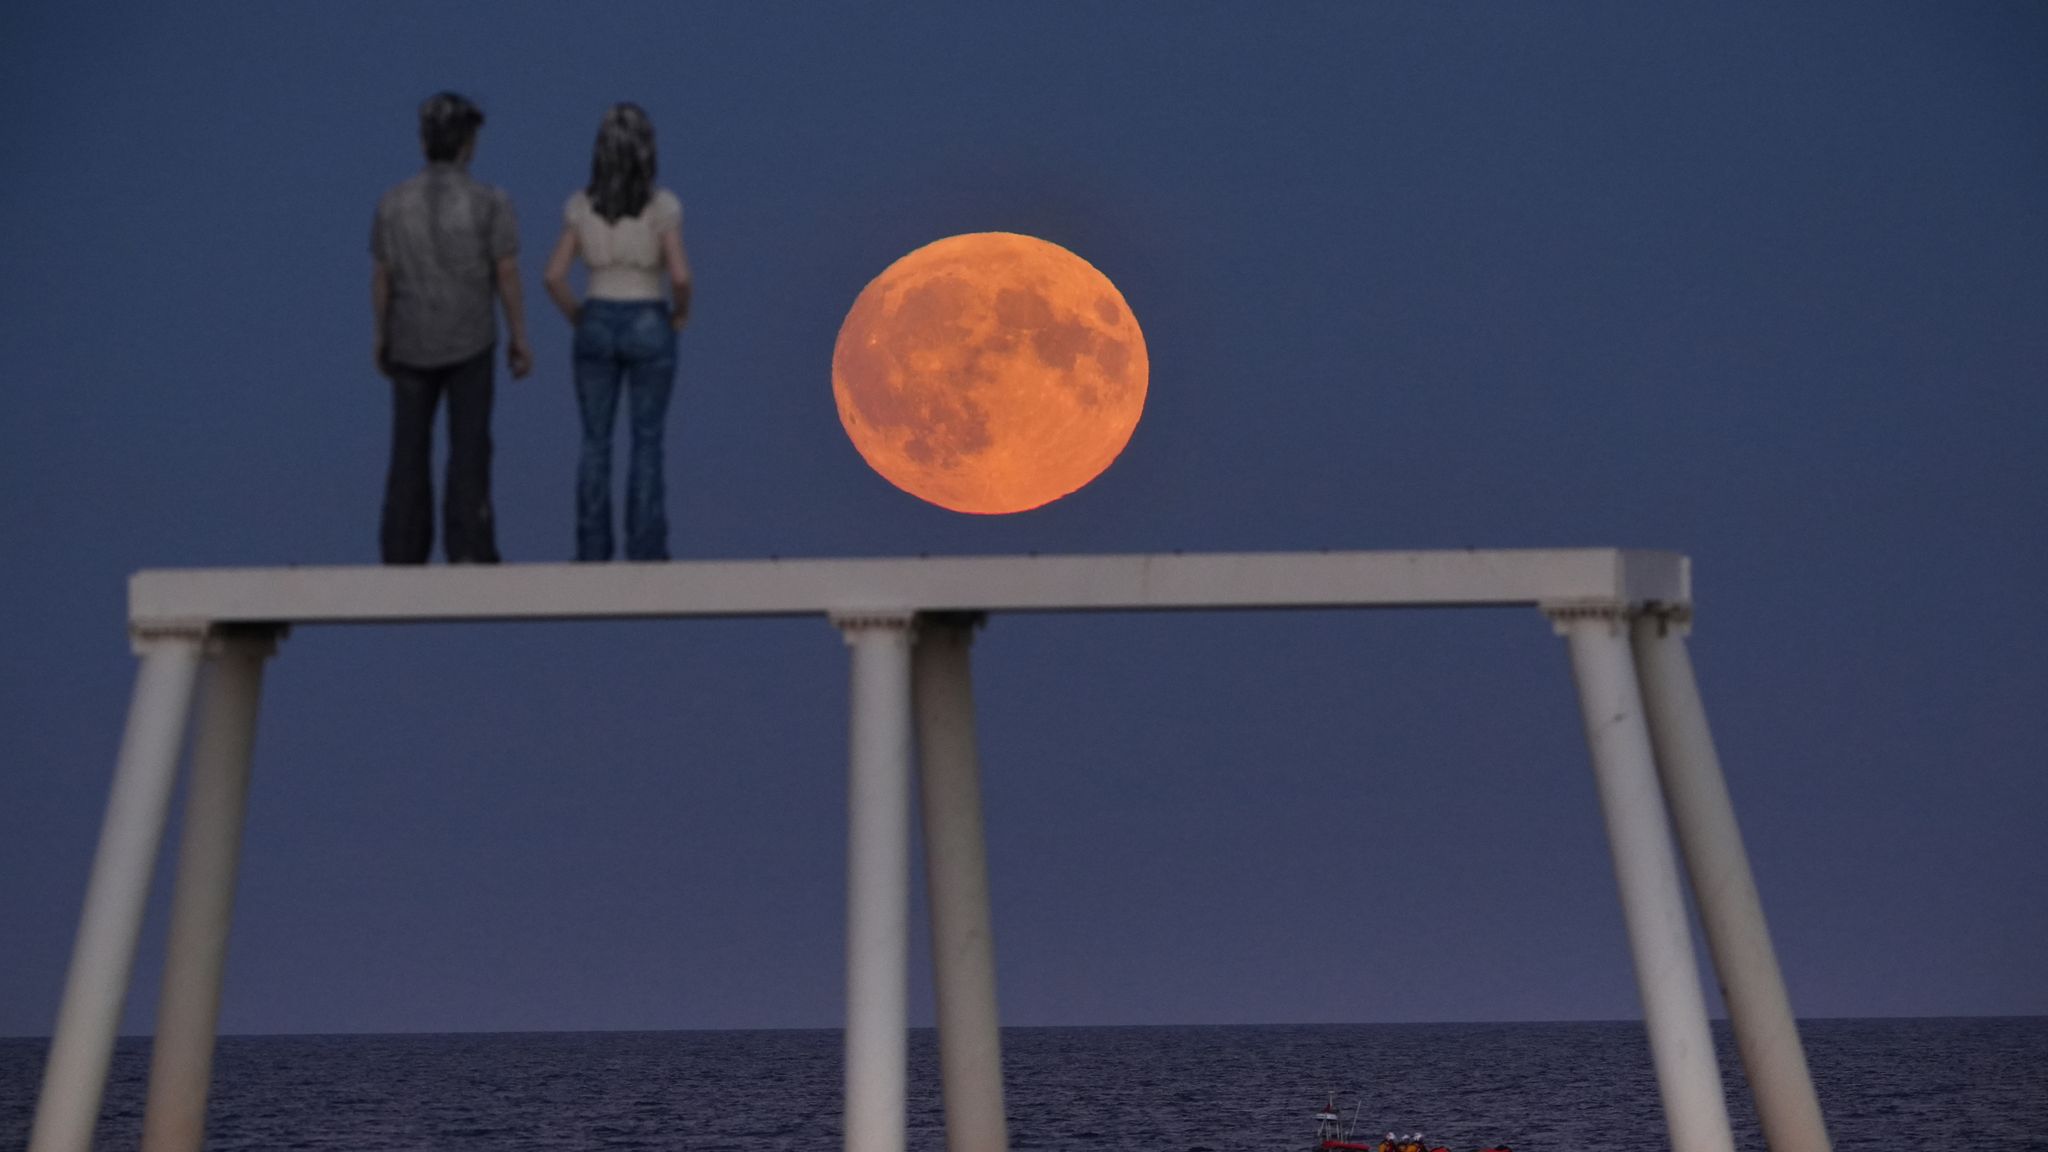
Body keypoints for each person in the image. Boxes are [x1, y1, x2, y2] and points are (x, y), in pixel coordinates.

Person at [370, 91, 532, 564]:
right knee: (470, 447)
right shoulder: (491, 202)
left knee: (408, 450)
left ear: (424, 144)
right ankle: (469, 546)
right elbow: (505, 272)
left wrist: (382, 334)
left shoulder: (392, 204)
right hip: (471, 338)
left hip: (410, 337)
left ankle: (402, 547)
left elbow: (383, 277)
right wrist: (519, 334)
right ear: (467, 143)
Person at [543, 102, 692, 562]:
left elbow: (553, 275)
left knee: (595, 440)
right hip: (649, 315)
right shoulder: (661, 207)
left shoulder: (580, 207)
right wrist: (680, 314)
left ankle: (591, 547)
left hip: (597, 317)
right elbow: (681, 275)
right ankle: (646, 547)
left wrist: (578, 317)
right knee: (647, 439)